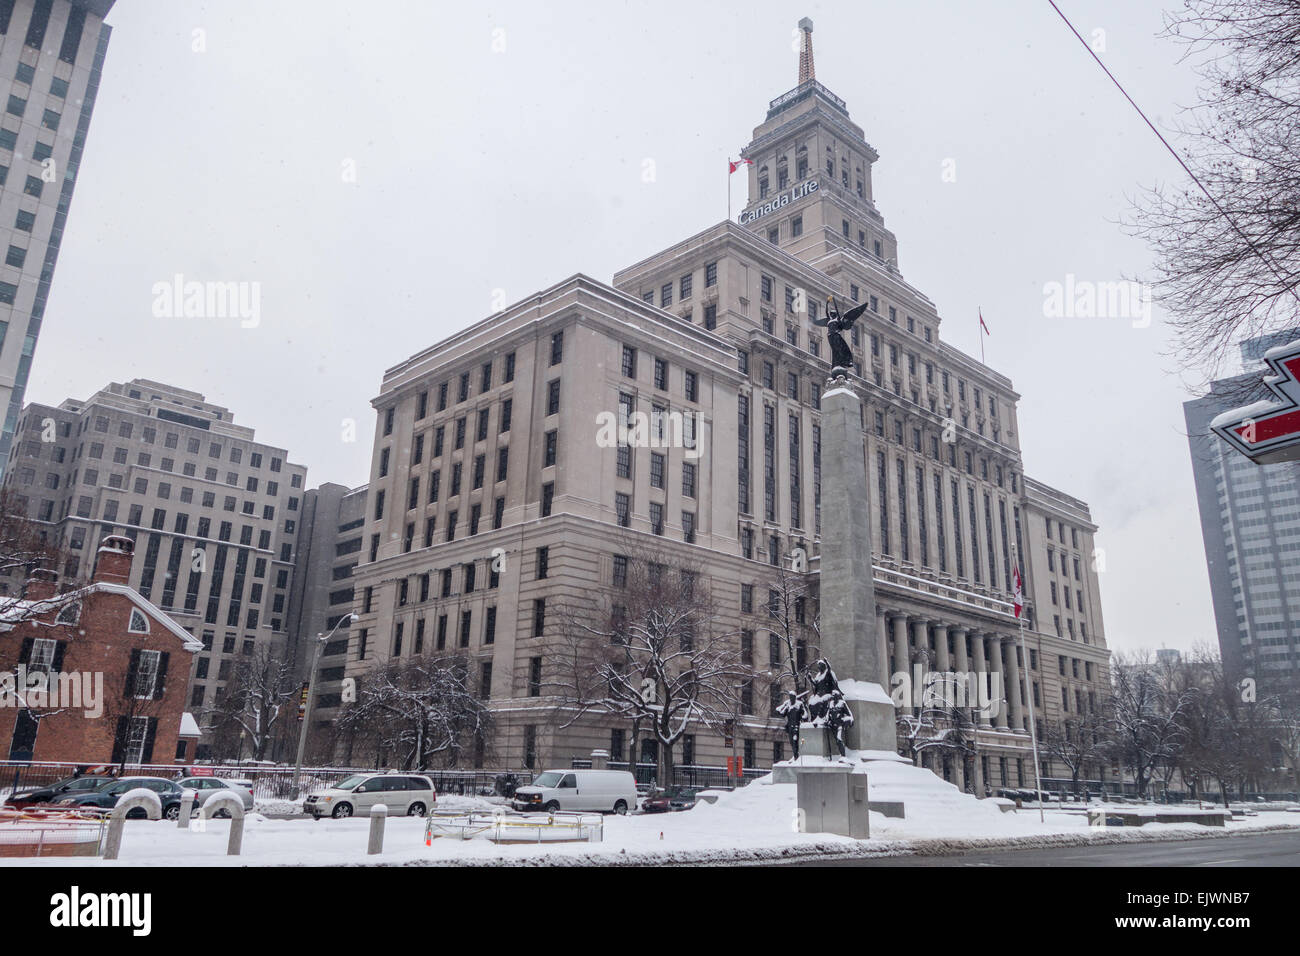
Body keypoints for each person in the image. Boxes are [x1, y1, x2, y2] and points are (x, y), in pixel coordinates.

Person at [775, 691, 808, 758]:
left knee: (795, 741)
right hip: (790, 727)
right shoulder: (788, 705)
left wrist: (803, 717)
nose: (791, 698)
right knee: (791, 742)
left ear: (795, 697)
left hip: (797, 726)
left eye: (792, 697)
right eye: (790, 697)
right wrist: (779, 710)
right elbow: (783, 714)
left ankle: (797, 755)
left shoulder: (799, 704)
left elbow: (805, 714)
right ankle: (796, 755)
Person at [806, 658, 840, 723]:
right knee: (811, 702)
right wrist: (810, 679)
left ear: (824, 666)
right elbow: (816, 684)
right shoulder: (818, 675)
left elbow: (829, 670)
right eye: (818, 666)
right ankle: (813, 718)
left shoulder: (827, 673)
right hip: (819, 694)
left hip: (827, 693)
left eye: (820, 665)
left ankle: (821, 717)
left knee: (821, 701)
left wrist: (827, 662)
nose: (819, 667)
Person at [823, 690, 854, 758]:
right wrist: (827, 720)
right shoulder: (831, 704)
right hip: (833, 726)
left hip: (839, 725)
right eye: (833, 697)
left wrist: (843, 720)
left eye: (835, 696)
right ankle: (841, 755)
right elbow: (828, 714)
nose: (833, 698)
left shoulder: (842, 703)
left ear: (838, 697)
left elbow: (849, 715)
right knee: (837, 741)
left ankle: (843, 756)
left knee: (839, 739)